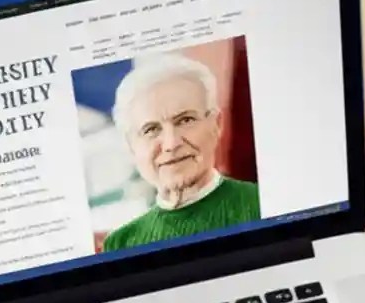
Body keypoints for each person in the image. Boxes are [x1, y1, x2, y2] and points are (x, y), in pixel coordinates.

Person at [101, 54, 260, 252]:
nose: (171, 144)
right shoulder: (121, 243)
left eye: (185, 120)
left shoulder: (261, 203)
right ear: (131, 146)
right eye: (151, 129)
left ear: (216, 124)